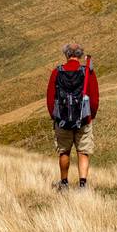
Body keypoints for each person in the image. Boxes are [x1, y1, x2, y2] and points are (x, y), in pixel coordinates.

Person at [46, 43, 99, 190]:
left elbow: (50, 98)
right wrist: (90, 116)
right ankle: (82, 184)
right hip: (83, 119)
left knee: (64, 151)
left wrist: (55, 116)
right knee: (83, 151)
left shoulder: (57, 72)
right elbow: (94, 98)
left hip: (62, 120)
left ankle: (64, 183)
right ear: (80, 55)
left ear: (66, 54)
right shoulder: (87, 72)